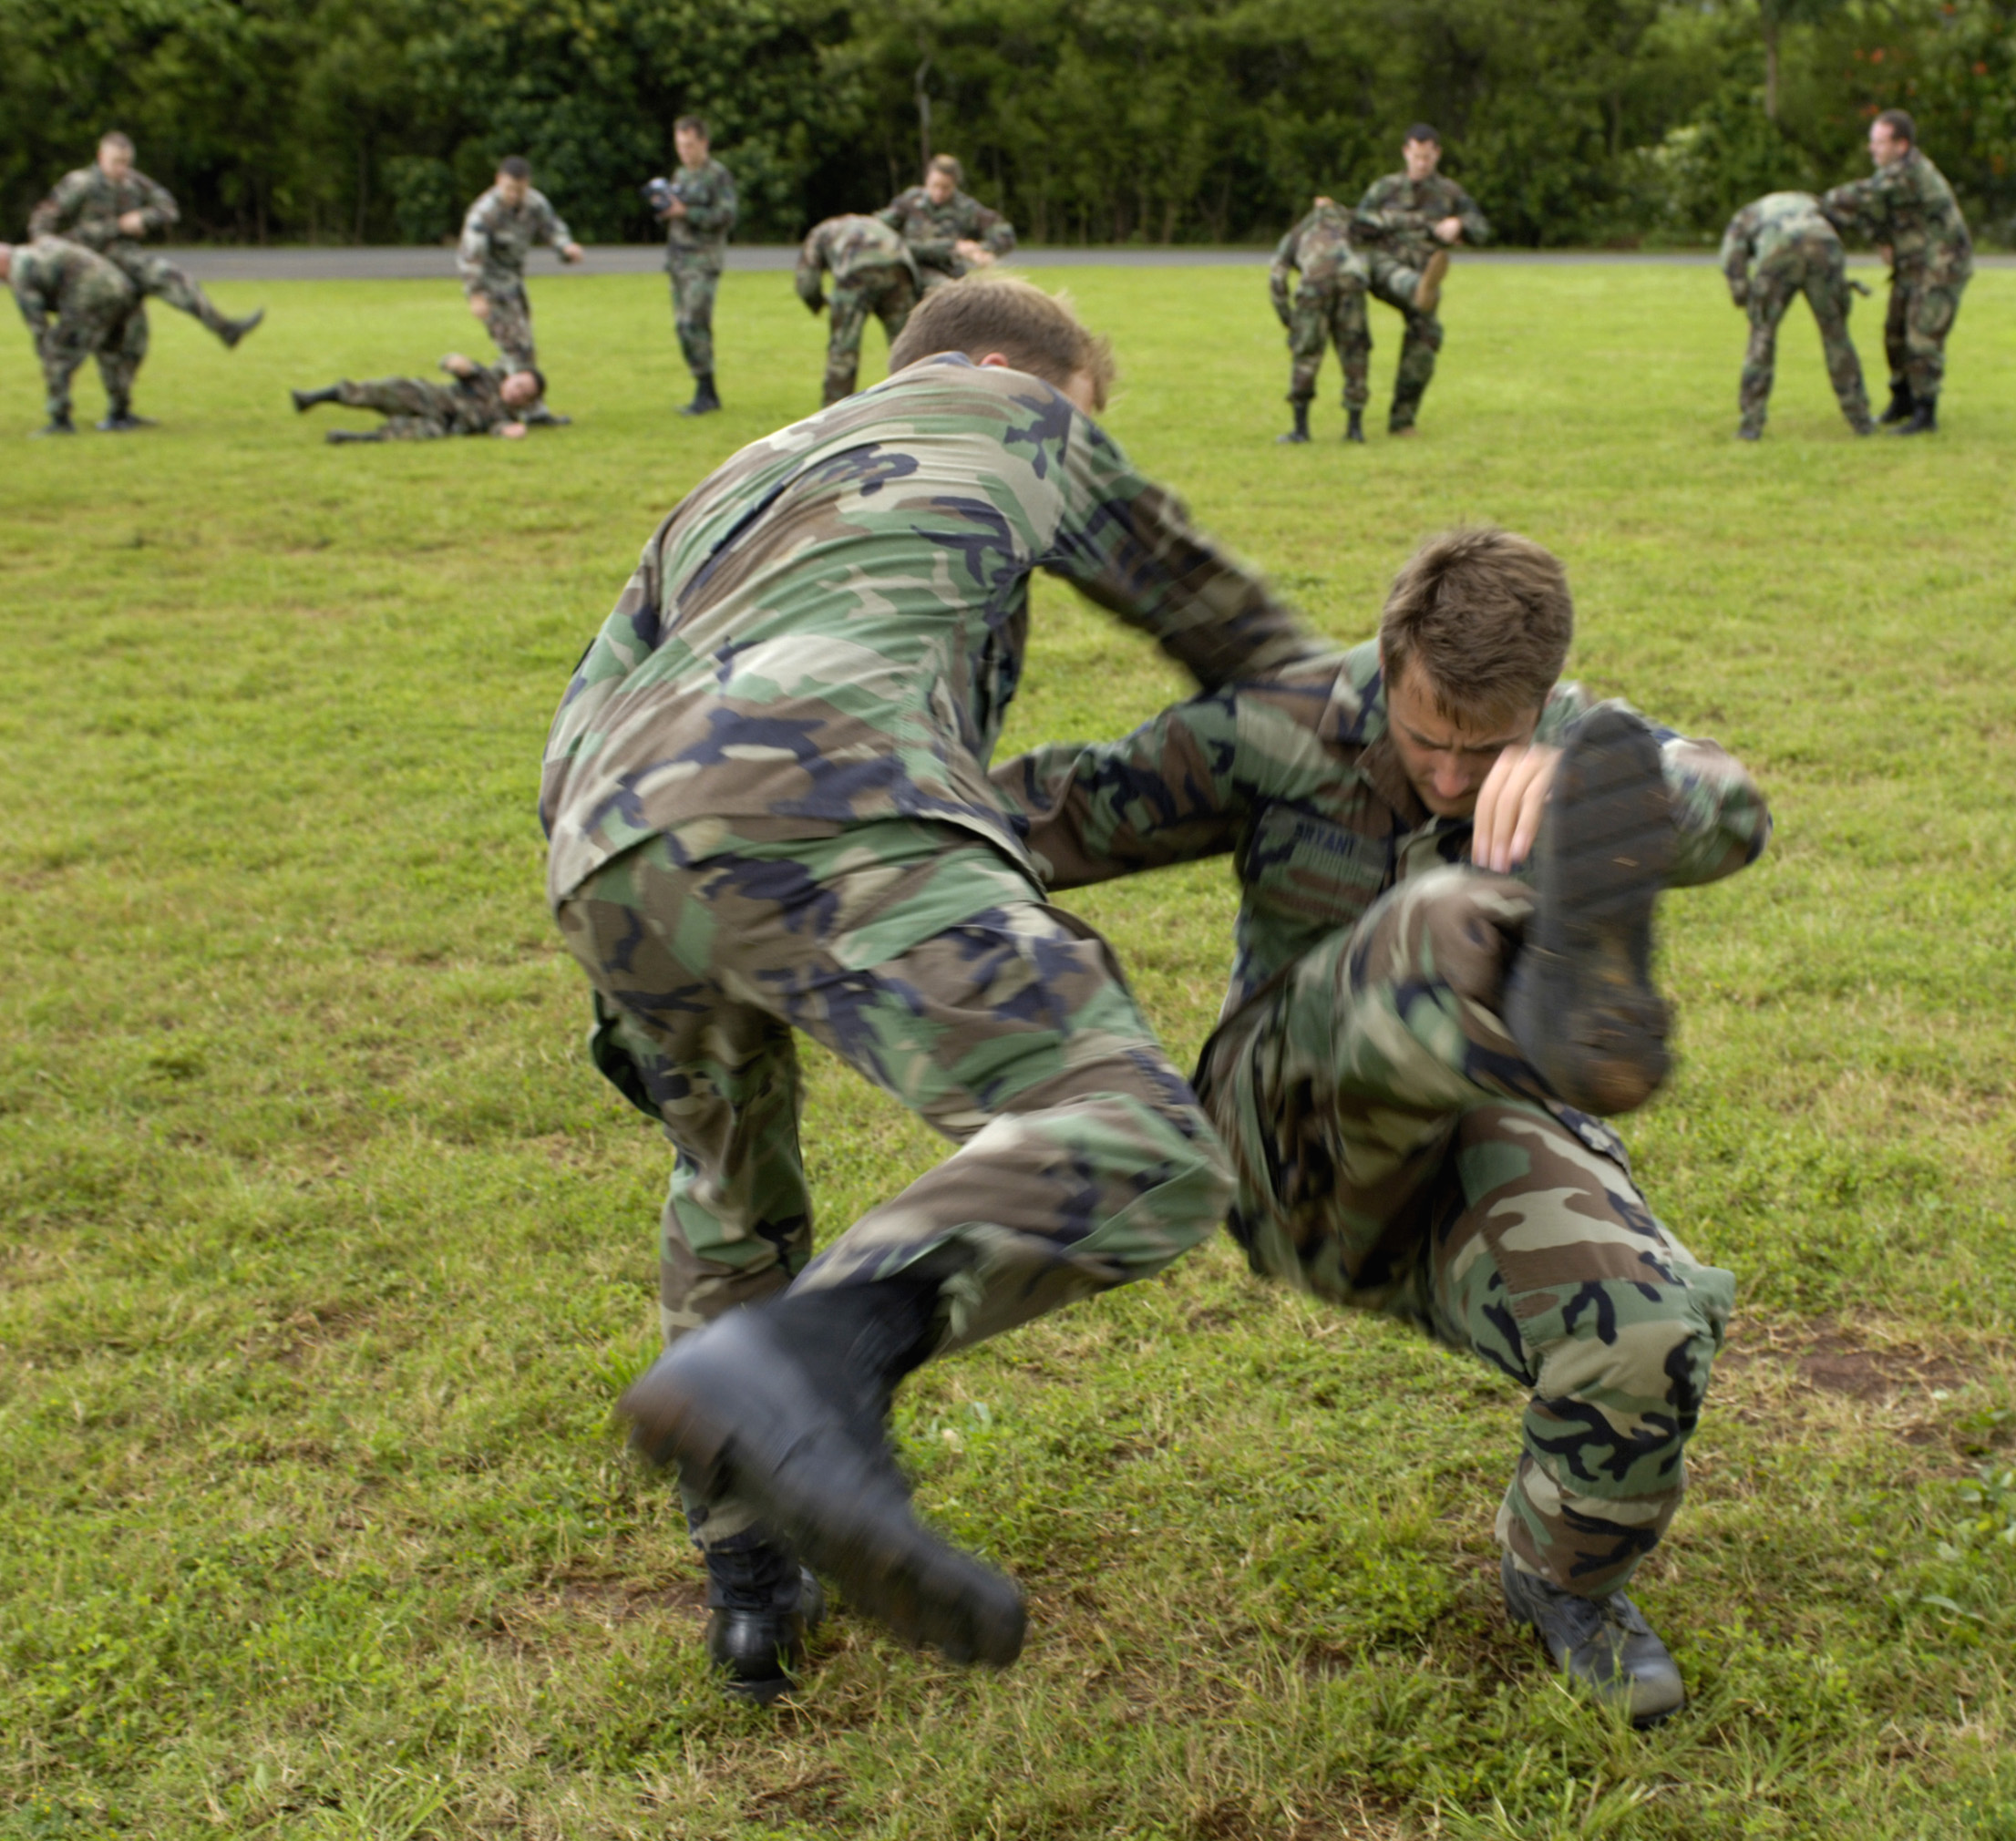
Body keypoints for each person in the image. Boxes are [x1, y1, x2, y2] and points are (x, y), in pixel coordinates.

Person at [545, 276, 1337, 1701]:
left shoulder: (742, 475)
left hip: (607, 845)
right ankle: (813, 1365)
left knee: (727, 1190)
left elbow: (589, 709)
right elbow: (1232, 630)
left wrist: (629, 964)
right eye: (1080, 407)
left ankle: (751, 1584)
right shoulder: (1016, 412)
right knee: (1134, 1139)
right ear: (995, 366)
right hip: (822, 789)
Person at [991, 528, 1767, 1726]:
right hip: (1288, 1137)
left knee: (1646, 1331)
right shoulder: (1279, 726)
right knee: (1446, 920)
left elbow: (1733, 804)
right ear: (1388, 664)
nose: (1450, 780)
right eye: (1423, 740)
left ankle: (1563, 1583)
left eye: (1485, 749)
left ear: (1542, 697)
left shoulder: (1577, 746)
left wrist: (1616, 793)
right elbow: (1040, 814)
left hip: (1463, 1150)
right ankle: (1511, 970)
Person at [29, 132, 263, 349]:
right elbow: (43, 218)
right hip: (89, 258)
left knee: (167, 286)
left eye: (126, 163)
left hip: (124, 255)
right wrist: (49, 252)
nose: (122, 169)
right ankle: (55, 353)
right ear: (101, 157)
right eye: (116, 162)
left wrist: (143, 217)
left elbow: (169, 208)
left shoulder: (134, 182)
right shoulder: (81, 183)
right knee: (157, 283)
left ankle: (224, 329)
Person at [1820, 110, 1971, 436]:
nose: (1872, 148)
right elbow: (1876, 214)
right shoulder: (1892, 175)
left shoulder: (1909, 171)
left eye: (1879, 142)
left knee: (1922, 336)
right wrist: (1881, 239)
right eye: (1872, 141)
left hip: (1943, 264)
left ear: (1901, 145)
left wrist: (1817, 204)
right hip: (1913, 263)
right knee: (1895, 333)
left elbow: (1863, 196)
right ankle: (1902, 401)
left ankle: (1925, 412)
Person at [1353, 126, 1492, 435]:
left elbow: (1482, 229)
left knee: (1427, 334)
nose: (1421, 163)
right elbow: (1358, 223)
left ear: (1437, 155)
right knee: (1412, 285)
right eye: (1417, 156)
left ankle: (1402, 420)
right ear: (1406, 152)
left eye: (1427, 157)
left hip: (1423, 266)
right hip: (1386, 267)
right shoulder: (1385, 188)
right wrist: (1396, 221)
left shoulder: (1450, 192)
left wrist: (1459, 224)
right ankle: (1420, 289)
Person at [1720, 191, 1873, 441]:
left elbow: (1731, 257)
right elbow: (1842, 223)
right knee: (1836, 335)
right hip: (1824, 246)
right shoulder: (1813, 204)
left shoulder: (1746, 215)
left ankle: (1751, 425)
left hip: (1777, 248)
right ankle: (1861, 419)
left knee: (1762, 336)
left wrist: (1746, 301)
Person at [0, 237, 145, 435]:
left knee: (58, 358)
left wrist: (46, 352)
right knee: (111, 353)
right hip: (121, 288)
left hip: (87, 299)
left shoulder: (19, 269)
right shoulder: (42, 247)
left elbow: (36, 321)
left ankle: (60, 420)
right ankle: (120, 414)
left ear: (0, 262)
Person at [458, 156, 582, 400]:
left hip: (514, 282)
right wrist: (476, 294)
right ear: (498, 181)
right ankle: (529, 407)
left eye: (520, 189)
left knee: (520, 344)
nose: (514, 195)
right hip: (491, 284)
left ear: (528, 184)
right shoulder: (484, 212)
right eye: (509, 188)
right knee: (517, 346)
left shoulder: (534, 203)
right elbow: (471, 256)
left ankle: (491, 397)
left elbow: (552, 227)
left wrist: (566, 247)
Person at [1268, 196, 1372, 443]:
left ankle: (1301, 430)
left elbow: (1277, 278)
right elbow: (1371, 221)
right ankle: (1355, 430)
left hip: (1314, 286)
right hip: (1351, 281)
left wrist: (1289, 320)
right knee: (1355, 352)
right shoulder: (1344, 223)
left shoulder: (1296, 235)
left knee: (1307, 355)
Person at [794, 215, 924, 404]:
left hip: (856, 272)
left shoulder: (818, 234)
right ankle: (916, 401)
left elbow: (806, 282)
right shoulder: (873, 224)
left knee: (843, 350)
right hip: (899, 268)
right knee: (906, 345)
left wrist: (818, 302)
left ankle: (836, 411)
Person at [660, 116, 741, 417]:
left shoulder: (717, 175)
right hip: (678, 261)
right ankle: (704, 388)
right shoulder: (680, 174)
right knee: (683, 326)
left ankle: (706, 391)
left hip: (703, 261)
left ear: (704, 143)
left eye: (690, 145)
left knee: (695, 321)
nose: (684, 151)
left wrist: (687, 212)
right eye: (680, 145)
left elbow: (727, 215)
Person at [289, 355, 545, 443]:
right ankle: (313, 398)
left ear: (526, 403)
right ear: (511, 378)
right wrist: (455, 363)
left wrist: (511, 432)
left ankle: (354, 438)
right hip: (430, 397)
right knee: (386, 389)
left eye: (524, 395)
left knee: (423, 433)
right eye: (519, 385)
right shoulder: (487, 377)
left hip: (443, 423)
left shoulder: (506, 416)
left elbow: (498, 428)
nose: (517, 392)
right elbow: (459, 365)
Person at [875, 155, 1015, 281]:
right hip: (910, 270)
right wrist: (954, 247)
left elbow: (1004, 234)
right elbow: (877, 228)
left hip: (947, 274)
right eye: (934, 185)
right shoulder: (910, 201)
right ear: (927, 180)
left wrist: (979, 250)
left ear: (955, 185)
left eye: (946, 188)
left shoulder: (966, 208)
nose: (939, 192)